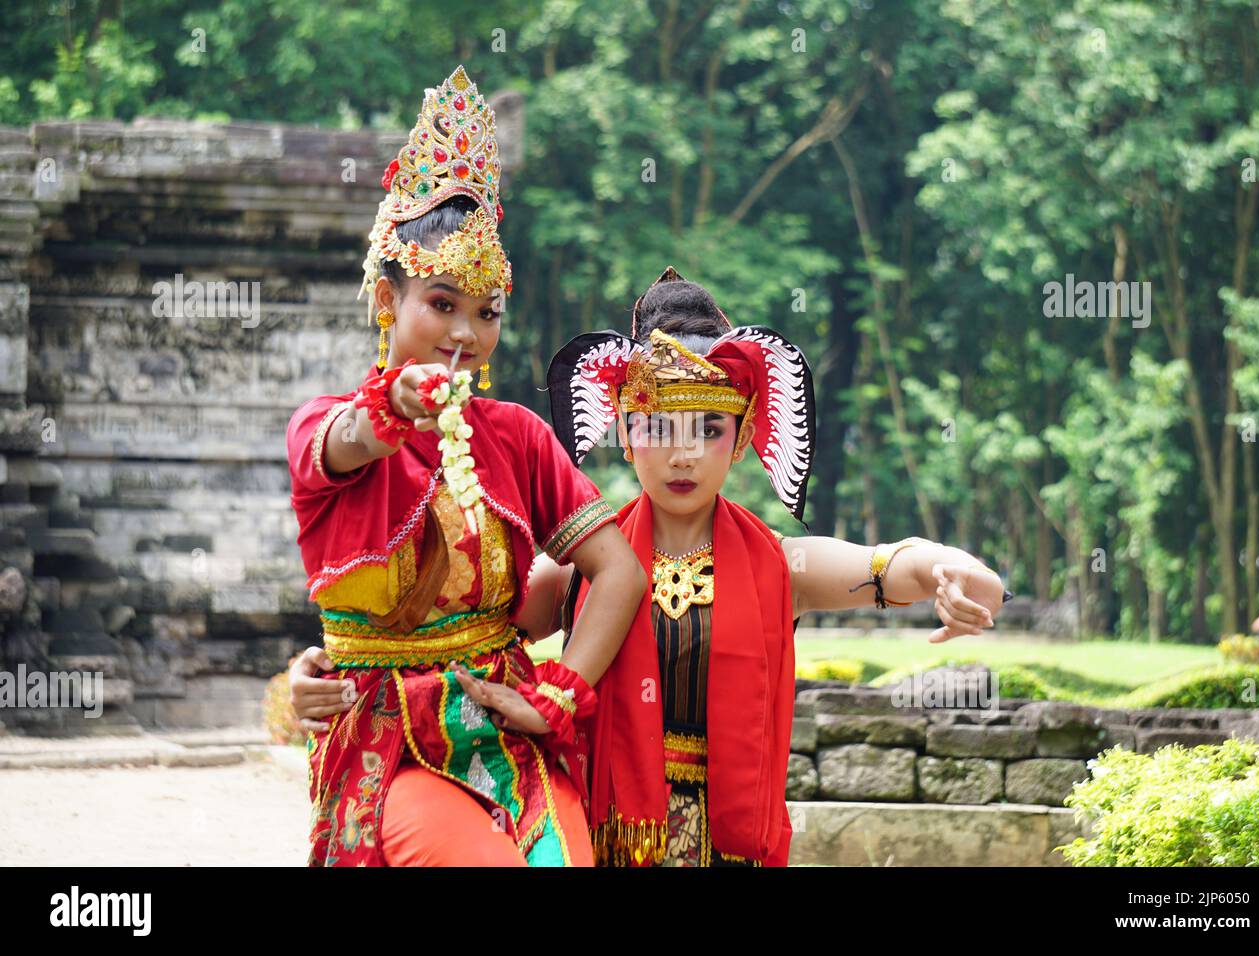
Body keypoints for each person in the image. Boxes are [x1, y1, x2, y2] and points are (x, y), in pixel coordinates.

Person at [291, 268, 1009, 866]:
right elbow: (439, 629)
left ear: (745, 434)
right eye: (657, 426)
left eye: (709, 428)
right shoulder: (576, 576)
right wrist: (315, 669)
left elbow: (887, 569)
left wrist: (952, 569)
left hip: (729, 842)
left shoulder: (777, 565)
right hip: (608, 834)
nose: (684, 452)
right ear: (625, 435)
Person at [284, 65, 644, 867]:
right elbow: (349, 441)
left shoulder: (514, 434)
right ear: (389, 302)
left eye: (486, 313)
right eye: (441, 303)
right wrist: (395, 407)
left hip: (504, 729)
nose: (466, 334)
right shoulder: (326, 425)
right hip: (386, 738)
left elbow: (619, 571)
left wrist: (558, 695)